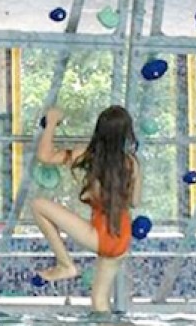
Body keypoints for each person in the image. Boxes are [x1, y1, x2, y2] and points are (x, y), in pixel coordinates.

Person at [30, 104, 141, 312]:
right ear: (127, 134)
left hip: (100, 235)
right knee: (99, 300)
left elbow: (45, 156)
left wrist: (52, 121)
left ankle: (65, 264)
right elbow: (134, 202)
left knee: (38, 205)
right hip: (122, 237)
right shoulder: (131, 163)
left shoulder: (86, 155)